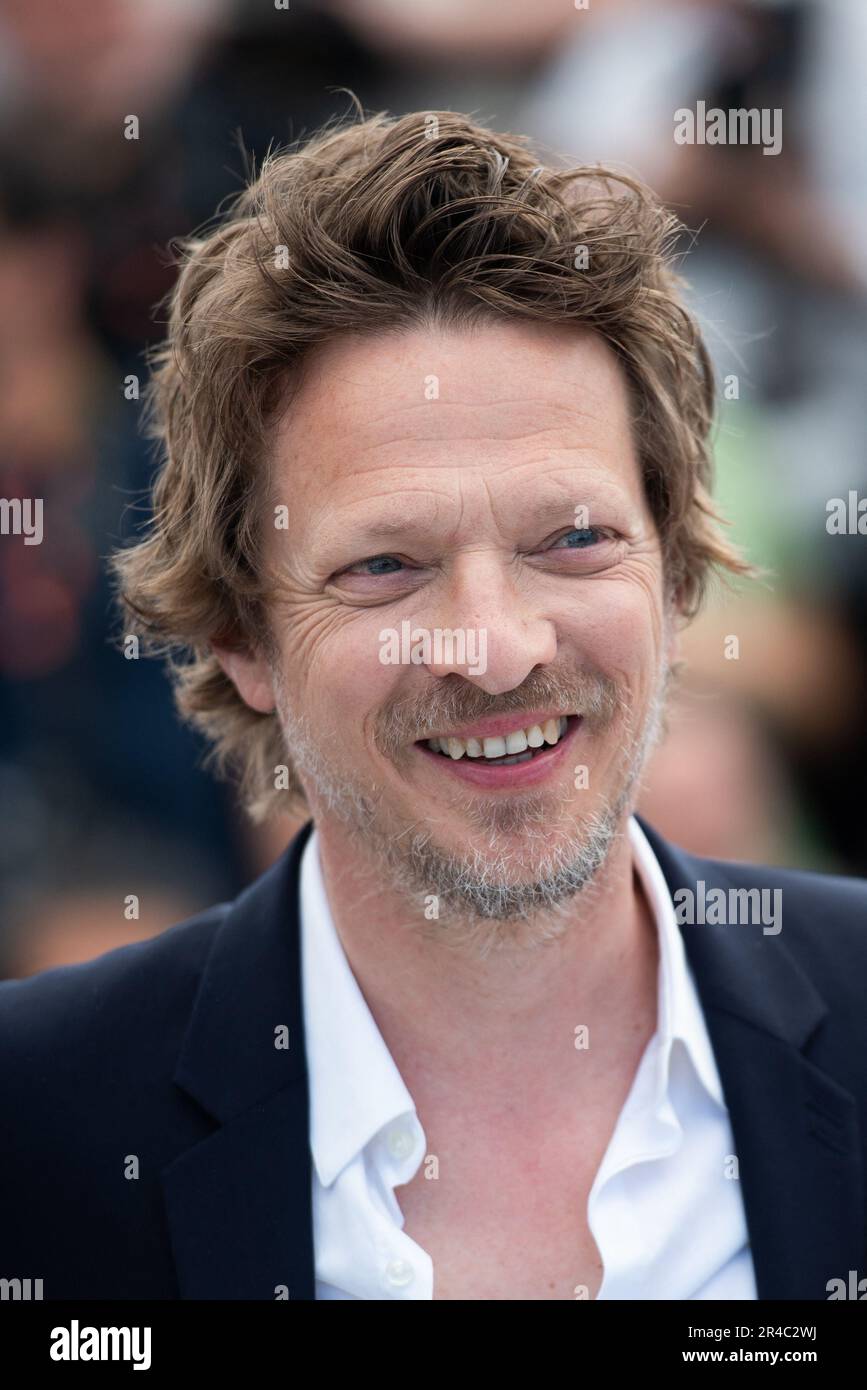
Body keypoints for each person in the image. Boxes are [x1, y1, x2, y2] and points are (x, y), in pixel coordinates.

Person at [1, 109, 864, 1301]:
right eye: (386, 567)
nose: (497, 649)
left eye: (571, 538)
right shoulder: (35, 1120)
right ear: (240, 634)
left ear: (671, 576)